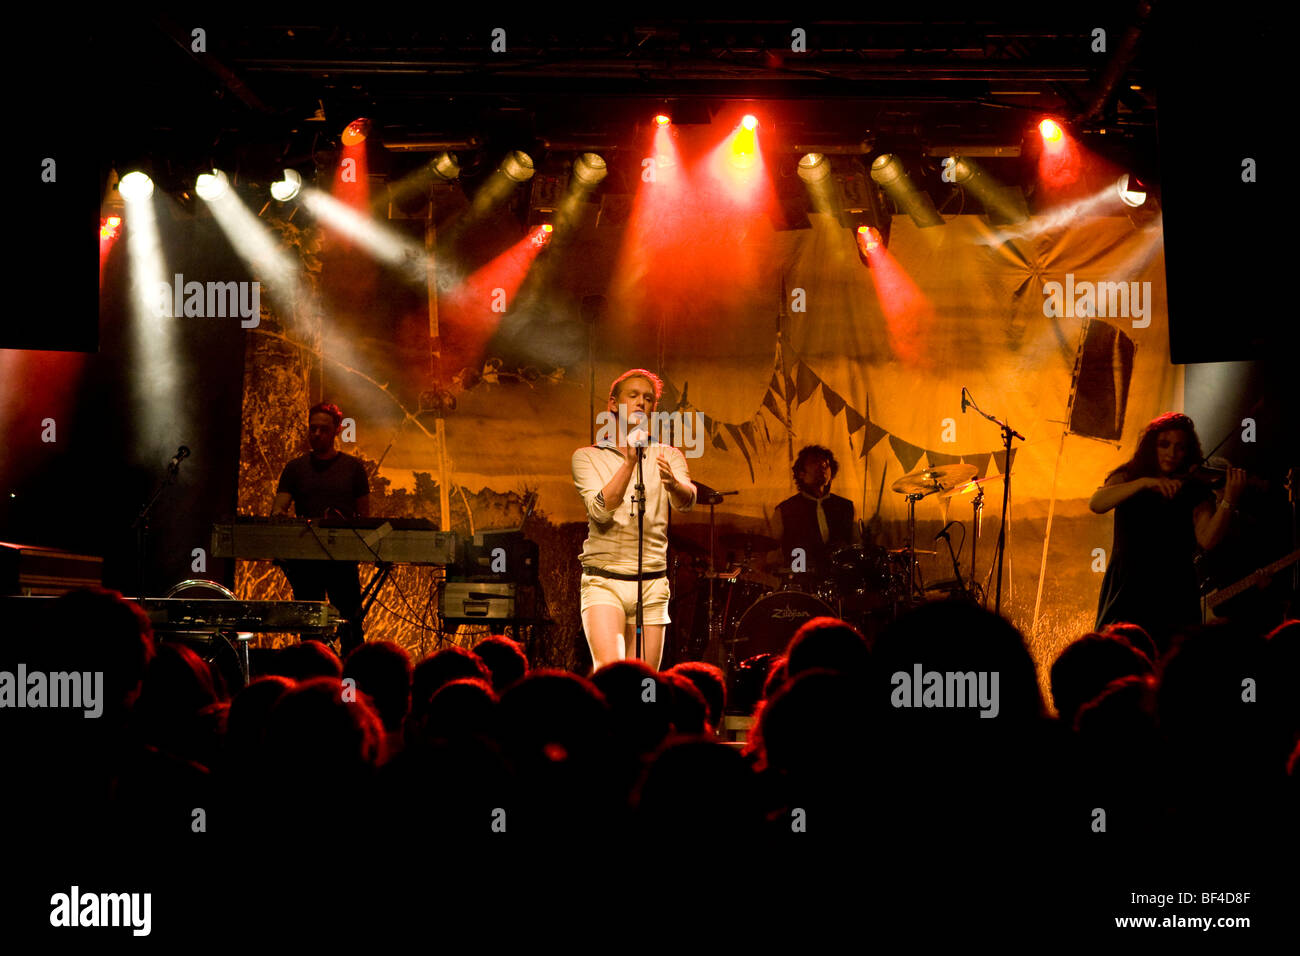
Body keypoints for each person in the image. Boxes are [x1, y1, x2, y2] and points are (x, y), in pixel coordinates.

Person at [571, 369, 697, 671]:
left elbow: (687, 502)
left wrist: (674, 484)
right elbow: (600, 511)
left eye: (648, 398)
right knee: (611, 673)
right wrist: (629, 462)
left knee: (644, 681)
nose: (641, 402)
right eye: (633, 395)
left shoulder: (668, 454)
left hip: (652, 583)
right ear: (614, 404)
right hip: (605, 579)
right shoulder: (587, 456)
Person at [1089, 412, 1246, 650]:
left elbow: (1208, 539)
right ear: (1152, 445)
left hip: (1175, 589)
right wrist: (1145, 482)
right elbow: (1097, 503)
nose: (1172, 453)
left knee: (1171, 662)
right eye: (1165, 445)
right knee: (1119, 656)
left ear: (1187, 452)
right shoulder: (1129, 476)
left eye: (1180, 448)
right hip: (1129, 586)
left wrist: (1229, 501)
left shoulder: (1194, 489)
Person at [271, 402, 371, 656]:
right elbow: (279, 508)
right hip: (305, 561)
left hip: (342, 561)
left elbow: (364, 516)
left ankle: (353, 678)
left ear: (337, 430)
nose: (316, 434)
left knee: (351, 624)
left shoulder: (353, 468)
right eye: (312, 429)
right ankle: (314, 675)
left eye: (323, 429)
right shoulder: (295, 468)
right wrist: (279, 516)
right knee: (309, 627)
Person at [774, 444, 858, 577]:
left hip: (839, 580)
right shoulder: (785, 510)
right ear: (801, 473)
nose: (823, 465)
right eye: (815, 462)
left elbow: (856, 546)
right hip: (801, 581)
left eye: (827, 464)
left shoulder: (846, 506)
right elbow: (772, 550)